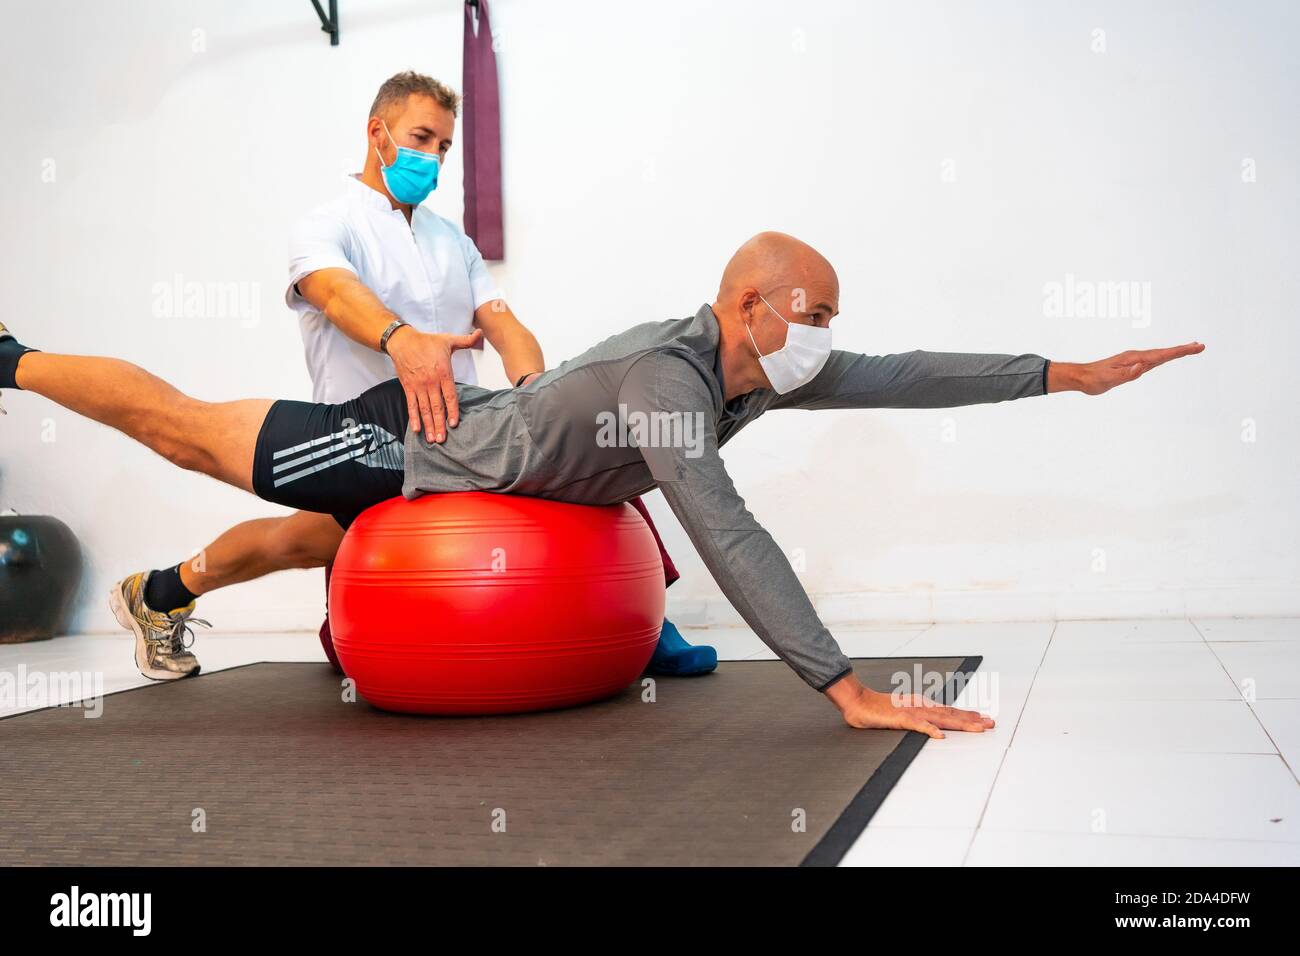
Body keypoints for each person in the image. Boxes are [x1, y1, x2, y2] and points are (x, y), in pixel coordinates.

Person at [0, 231, 1204, 736]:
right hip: (411, 448)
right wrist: (844, 689)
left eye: (829, 319)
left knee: (309, 542)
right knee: (188, 433)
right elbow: (725, 528)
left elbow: (897, 373)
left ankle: (163, 587)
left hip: (476, 490)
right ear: (748, 307)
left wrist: (1064, 372)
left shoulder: (756, 368)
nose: (825, 336)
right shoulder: (674, 384)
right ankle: (12, 356)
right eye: (812, 315)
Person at [94, 70, 712, 681]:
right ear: (377, 132)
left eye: (444, 146)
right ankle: (161, 592)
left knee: (582, 443)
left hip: (457, 435)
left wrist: (536, 393)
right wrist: (401, 341)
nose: (433, 158)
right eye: (420, 139)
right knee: (295, 545)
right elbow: (337, 295)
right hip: (365, 439)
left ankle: (650, 620)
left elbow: (505, 325)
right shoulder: (328, 225)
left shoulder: (453, 242)